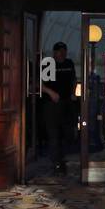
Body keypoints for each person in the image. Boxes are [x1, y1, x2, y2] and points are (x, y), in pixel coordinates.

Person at [40, 41, 78, 174]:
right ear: (54, 52)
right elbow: (40, 85)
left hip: (67, 103)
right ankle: (56, 164)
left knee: (67, 132)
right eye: (59, 51)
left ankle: (62, 159)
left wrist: (73, 92)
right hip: (52, 104)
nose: (61, 53)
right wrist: (51, 93)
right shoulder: (48, 64)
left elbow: (74, 80)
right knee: (54, 134)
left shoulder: (69, 63)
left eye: (64, 51)